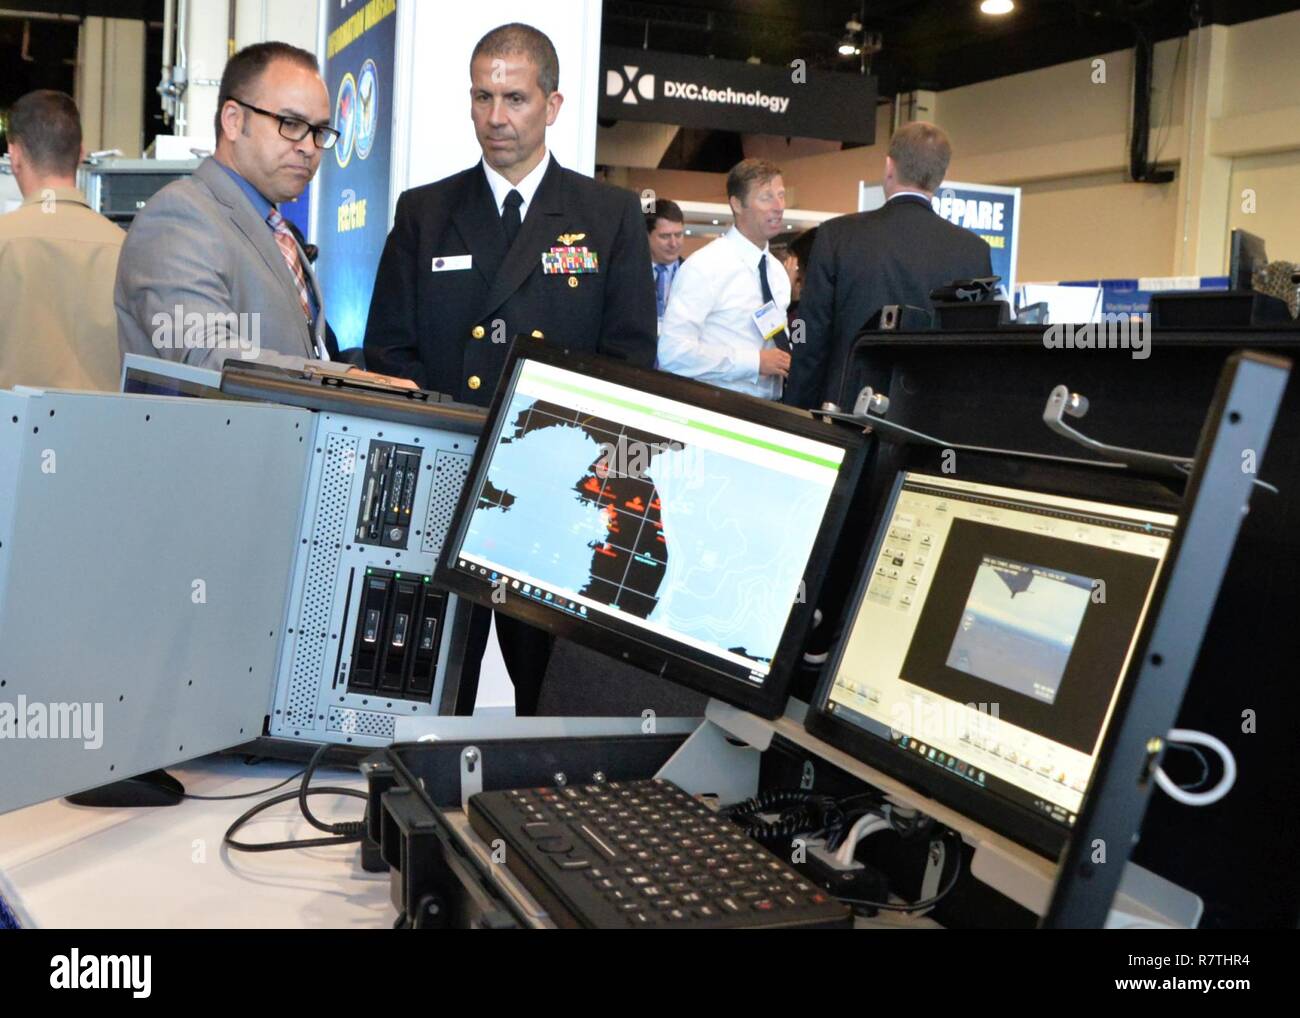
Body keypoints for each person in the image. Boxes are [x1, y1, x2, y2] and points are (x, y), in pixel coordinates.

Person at [362, 22, 656, 716]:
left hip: (551, 502)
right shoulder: (427, 213)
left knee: (546, 700)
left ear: (552, 105)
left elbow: (628, 364)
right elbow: (389, 352)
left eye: (516, 98)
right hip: (443, 486)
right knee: (430, 691)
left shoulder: (606, 216)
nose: (496, 117)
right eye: (482, 97)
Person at [116, 41, 403, 384]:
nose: (309, 147)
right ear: (234, 121)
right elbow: (207, 355)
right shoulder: (178, 217)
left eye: (319, 131)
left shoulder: (277, 230)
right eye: (290, 123)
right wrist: (349, 380)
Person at [784, 122, 993, 410]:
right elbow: (975, 354)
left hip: (846, 412)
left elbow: (811, 338)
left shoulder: (837, 236)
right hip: (928, 421)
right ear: (941, 176)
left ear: (888, 166)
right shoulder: (973, 252)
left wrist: (798, 415)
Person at [0, 90, 123, 391]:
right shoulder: (126, 248)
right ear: (81, 152)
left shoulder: (5, 239)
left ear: (14, 155)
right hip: (100, 434)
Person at [657, 158, 791, 399]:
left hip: (772, 410)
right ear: (737, 204)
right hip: (717, 410)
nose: (778, 206)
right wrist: (753, 362)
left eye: (781, 195)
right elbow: (672, 353)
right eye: (766, 197)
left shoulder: (777, 272)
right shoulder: (705, 266)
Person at [645, 197, 684, 324]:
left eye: (678, 235)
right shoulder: (627, 273)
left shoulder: (695, 273)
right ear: (646, 235)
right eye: (665, 236)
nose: (673, 243)